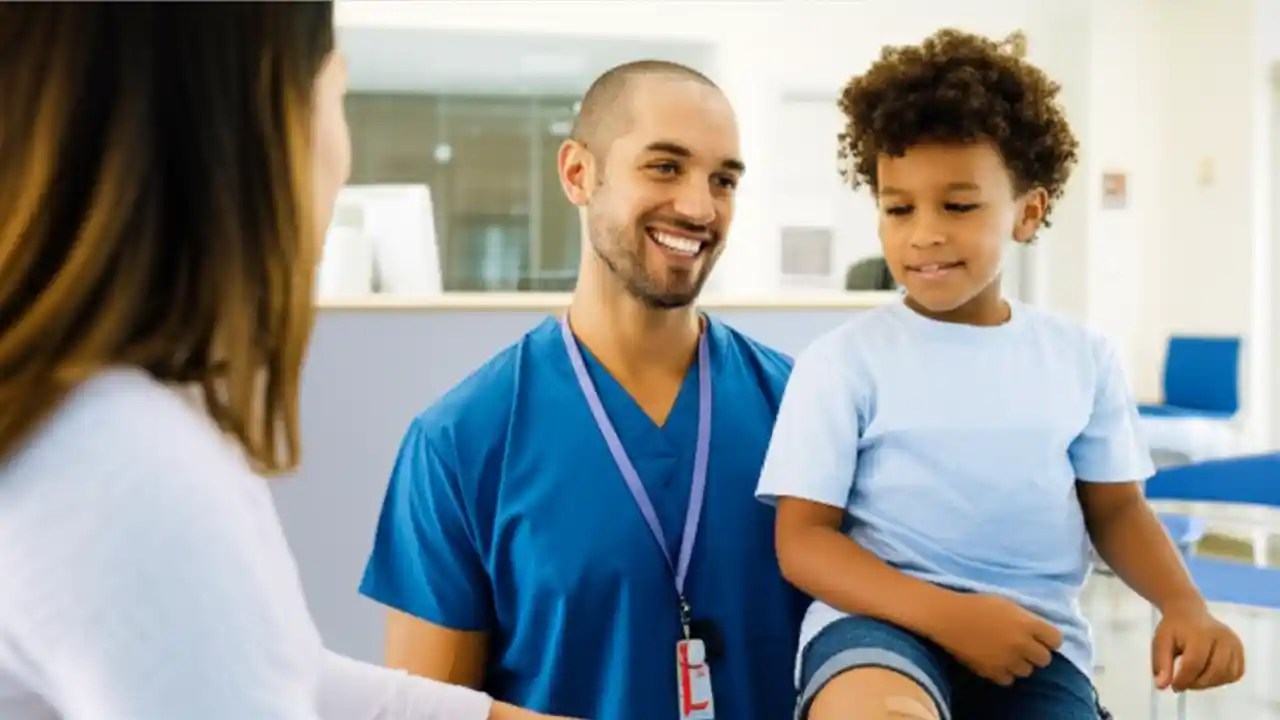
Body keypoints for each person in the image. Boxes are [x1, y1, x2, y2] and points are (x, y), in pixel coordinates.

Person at [0, 5, 571, 719]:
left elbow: (288, 675)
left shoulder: (81, 426)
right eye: (336, 97)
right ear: (262, 121)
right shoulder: (132, 474)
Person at [756, 29, 1245, 720]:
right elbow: (802, 542)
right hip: (878, 629)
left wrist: (1183, 603)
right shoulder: (840, 362)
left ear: (1028, 211)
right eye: (899, 208)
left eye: (958, 206)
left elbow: (1117, 508)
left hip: (1033, 644)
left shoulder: (1081, 356)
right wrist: (949, 617)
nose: (924, 232)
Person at [359, 60, 809, 720]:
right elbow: (426, 710)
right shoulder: (463, 443)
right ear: (578, 174)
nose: (699, 206)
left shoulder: (802, 411)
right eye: (664, 166)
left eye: (724, 180)